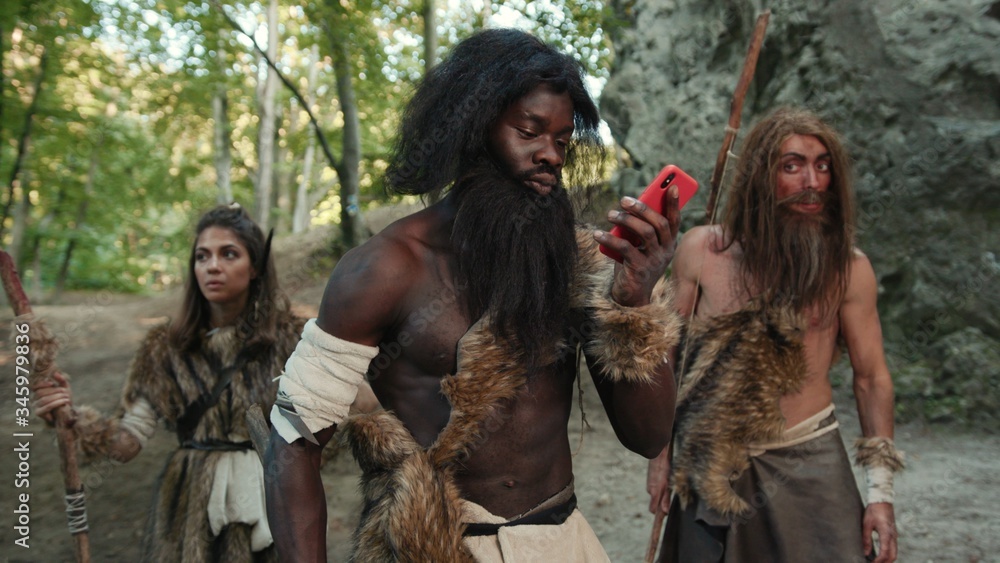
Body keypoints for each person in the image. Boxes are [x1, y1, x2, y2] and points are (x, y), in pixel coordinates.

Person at [264, 28, 683, 562]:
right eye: (529, 131)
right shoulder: (385, 269)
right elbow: (293, 442)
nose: (550, 156)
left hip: (562, 542)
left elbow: (648, 437)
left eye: (561, 141)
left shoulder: (574, 265)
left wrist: (634, 302)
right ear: (472, 127)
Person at [647, 107, 902, 563]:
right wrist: (660, 458)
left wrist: (880, 495)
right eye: (792, 166)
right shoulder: (702, 250)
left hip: (808, 459)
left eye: (822, 165)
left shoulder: (848, 268)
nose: (812, 181)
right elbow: (669, 360)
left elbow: (871, 378)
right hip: (710, 463)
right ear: (760, 177)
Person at [34, 204, 305, 562]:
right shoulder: (166, 347)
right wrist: (69, 419)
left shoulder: (291, 341)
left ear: (254, 267)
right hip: (188, 513)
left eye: (229, 254)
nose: (212, 266)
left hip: (271, 502)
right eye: (202, 256)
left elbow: (329, 418)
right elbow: (126, 443)